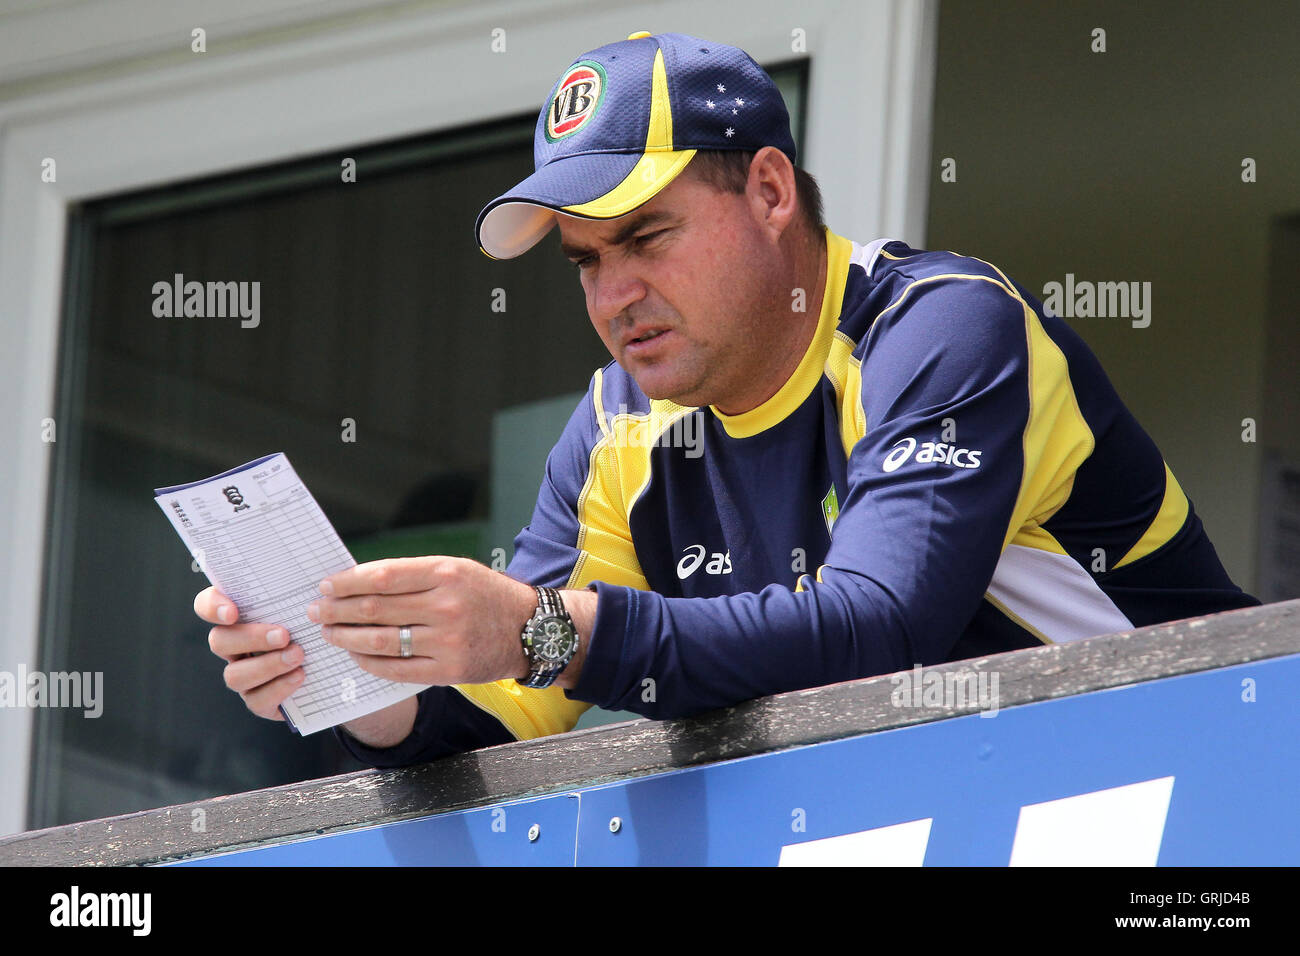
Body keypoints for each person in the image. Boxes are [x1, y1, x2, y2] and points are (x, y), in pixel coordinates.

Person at [196, 31, 1259, 768]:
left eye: (647, 237)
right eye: (583, 261)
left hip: (1216, 800)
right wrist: (360, 680)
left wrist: (539, 631)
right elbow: (497, 720)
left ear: (767, 190)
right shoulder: (617, 423)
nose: (614, 294)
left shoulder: (938, 324)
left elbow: (881, 630)